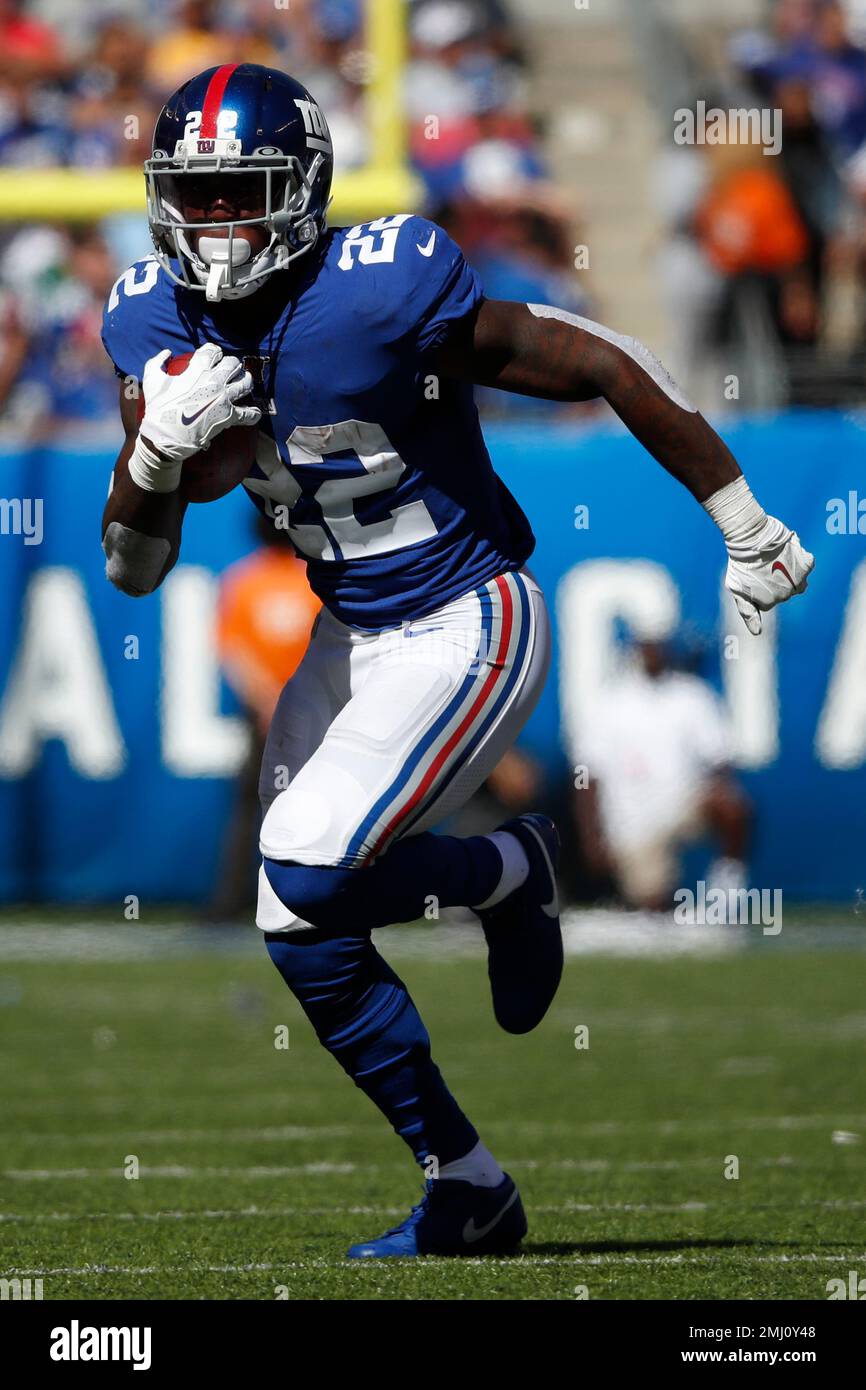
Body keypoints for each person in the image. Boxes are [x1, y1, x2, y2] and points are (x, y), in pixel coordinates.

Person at [100, 63, 814, 1259]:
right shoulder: (150, 321)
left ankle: (503, 870)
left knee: (312, 868)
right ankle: (467, 1184)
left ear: (305, 190)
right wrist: (155, 458)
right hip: (350, 633)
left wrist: (739, 518)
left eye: (244, 194)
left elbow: (590, 356)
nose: (219, 225)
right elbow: (132, 567)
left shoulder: (378, 291)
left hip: (464, 611)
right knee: (293, 914)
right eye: (200, 196)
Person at [574, 636, 751, 912]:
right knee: (652, 906)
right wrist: (592, 839)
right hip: (631, 825)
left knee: (730, 804)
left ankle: (725, 895)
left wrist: (716, 790)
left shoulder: (691, 694)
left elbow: (720, 762)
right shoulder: (609, 702)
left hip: (682, 806)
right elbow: (586, 776)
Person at [210, 514, 320, 920]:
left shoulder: (310, 577)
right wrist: (269, 701)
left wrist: (281, 701)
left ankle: (304, 897)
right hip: (273, 715)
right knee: (252, 806)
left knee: (305, 804)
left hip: (309, 710)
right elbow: (234, 650)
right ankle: (234, 900)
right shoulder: (247, 580)